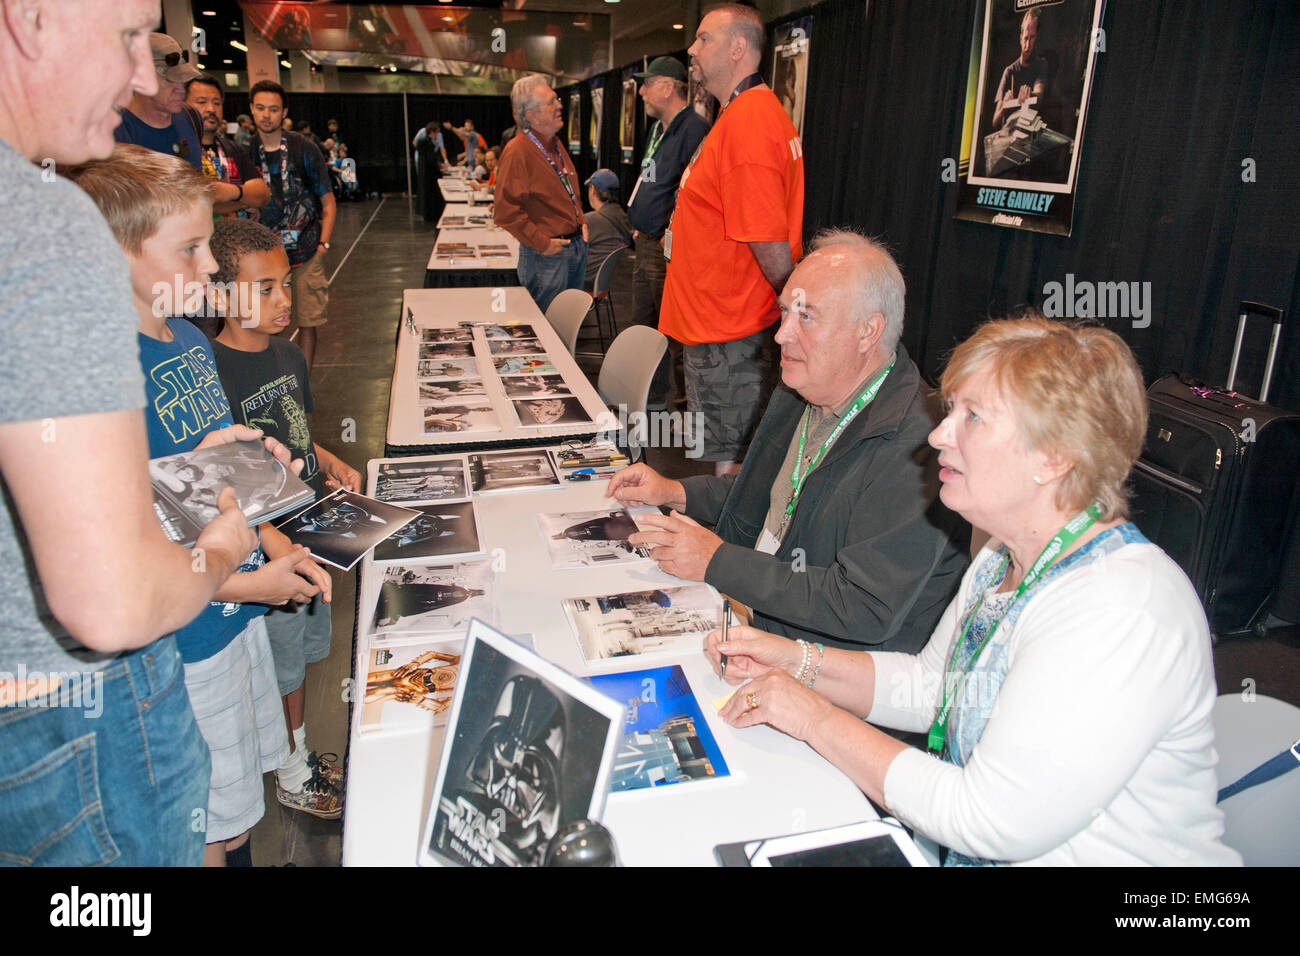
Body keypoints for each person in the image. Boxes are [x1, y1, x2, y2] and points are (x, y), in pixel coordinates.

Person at [707, 314, 1242, 866]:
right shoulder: (1002, 555)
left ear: (1054, 456)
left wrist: (812, 716)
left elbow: (988, 820)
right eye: (951, 410)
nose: (938, 434)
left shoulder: (1121, 607)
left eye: (974, 417)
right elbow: (935, 689)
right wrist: (794, 661)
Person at [0, 0, 272, 868]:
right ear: (29, 18)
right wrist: (227, 553)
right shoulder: (47, 231)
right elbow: (114, 600)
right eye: (125, 36)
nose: (148, 78)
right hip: (82, 713)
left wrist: (181, 463)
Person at [68, 144, 335, 864]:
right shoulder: (103, 372)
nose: (210, 267)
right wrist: (255, 581)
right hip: (192, 630)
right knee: (208, 822)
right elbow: (135, 541)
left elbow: (218, 475)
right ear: (119, 253)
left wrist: (277, 539)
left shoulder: (187, 338)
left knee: (239, 801)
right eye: (190, 248)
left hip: (236, 609)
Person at [612, 232, 968, 652]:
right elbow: (769, 491)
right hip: (753, 609)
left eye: (807, 317)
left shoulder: (922, 443)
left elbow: (862, 606)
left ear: (868, 332)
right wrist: (673, 490)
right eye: (784, 313)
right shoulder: (801, 390)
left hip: (820, 664)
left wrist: (717, 561)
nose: (781, 335)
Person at [206, 217, 360, 817]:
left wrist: (329, 458)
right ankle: (291, 770)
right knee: (284, 663)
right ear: (221, 293)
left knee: (307, 655)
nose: (282, 300)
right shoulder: (214, 371)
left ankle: (296, 747)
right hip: (273, 548)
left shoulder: (290, 354)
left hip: (313, 528)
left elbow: (295, 430)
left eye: (285, 285)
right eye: (263, 288)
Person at [661, 4, 804, 475]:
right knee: (725, 457)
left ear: (738, 48)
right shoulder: (740, 114)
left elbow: (767, 236)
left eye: (704, 39)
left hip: (732, 330)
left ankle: (722, 547)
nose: (692, 49)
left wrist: (795, 314)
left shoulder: (749, 120)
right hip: (721, 326)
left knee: (731, 467)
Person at [627, 56, 709, 412]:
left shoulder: (693, 128)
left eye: (648, 83)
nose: (642, 91)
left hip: (667, 248)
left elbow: (696, 190)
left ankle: (684, 403)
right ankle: (652, 394)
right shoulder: (659, 128)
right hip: (645, 243)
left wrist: (670, 231)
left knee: (672, 330)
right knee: (642, 324)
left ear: (668, 87)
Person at [249, 80, 336, 370]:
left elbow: (327, 200)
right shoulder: (246, 151)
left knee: (307, 320)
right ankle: (275, 381)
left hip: (306, 252)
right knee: (267, 324)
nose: (266, 115)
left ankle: (303, 383)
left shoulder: (304, 148)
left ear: (283, 112)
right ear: (251, 109)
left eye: (273, 109)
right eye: (260, 108)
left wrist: (323, 243)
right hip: (263, 257)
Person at [495, 74, 588, 313]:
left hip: (572, 248)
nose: (560, 105)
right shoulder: (518, 151)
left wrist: (581, 219)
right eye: (551, 102)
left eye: (557, 99)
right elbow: (506, 212)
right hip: (547, 256)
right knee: (548, 330)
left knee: (567, 325)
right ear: (531, 114)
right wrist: (542, 243)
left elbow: (568, 192)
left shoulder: (554, 143)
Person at [112, 33, 204, 172]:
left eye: (182, 80)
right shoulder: (114, 133)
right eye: (170, 80)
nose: (181, 89)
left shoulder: (192, 118)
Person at [185, 75, 270, 218]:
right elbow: (191, 204)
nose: (211, 109)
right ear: (183, 106)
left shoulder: (233, 149)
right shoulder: (177, 150)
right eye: (202, 102)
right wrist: (244, 201)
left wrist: (231, 192)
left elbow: (262, 195)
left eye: (217, 103)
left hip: (235, 236)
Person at [992, 9, 1050, 130]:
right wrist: (1004, 106)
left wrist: (1031, 94)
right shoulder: (1009, 71)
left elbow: (1039, 93)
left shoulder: (1041, 65)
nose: (1028, 45)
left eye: (1032, 37)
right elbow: (995, 122)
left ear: (1037, 38)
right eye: (1025, 38)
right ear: (1020, 38)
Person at [583, 168, 632, 287]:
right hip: (605, 286)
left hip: (584, 285)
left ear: (593, 190)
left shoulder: (588, 221)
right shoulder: (623, 217)